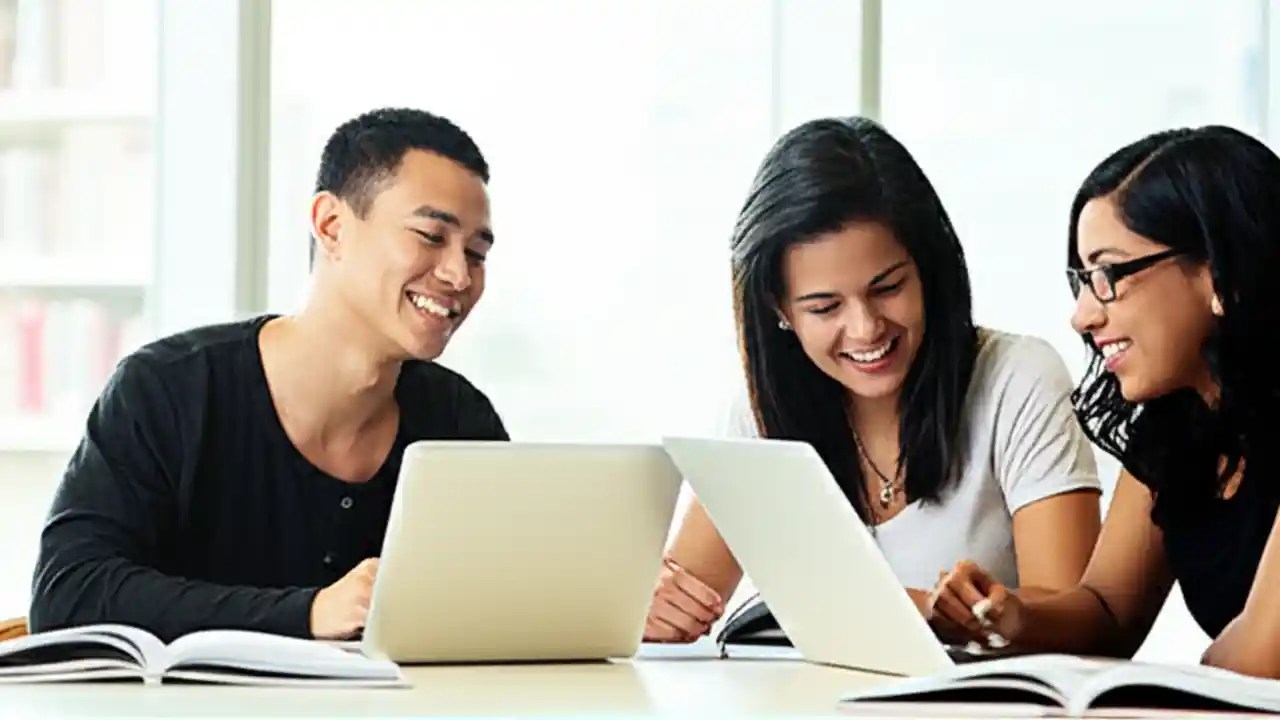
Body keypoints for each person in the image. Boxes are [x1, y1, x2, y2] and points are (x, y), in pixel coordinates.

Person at [29, 107, 508, 642]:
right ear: (331, 226)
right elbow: (69, 594)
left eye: (476, 252)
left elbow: (502, 606)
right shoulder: (168, 389)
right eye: (430, 236)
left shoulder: (461, 422)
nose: (458, 274)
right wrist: (308, 613)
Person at [644, 116, 1102, 644]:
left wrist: (965, 614)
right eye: (824, 307)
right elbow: (683, 600)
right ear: (780, 311)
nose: (865, 329)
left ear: (928, 270)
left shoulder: (1017, 380)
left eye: (887, 288)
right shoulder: (757, 409)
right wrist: (650, 603)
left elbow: (1076, 619)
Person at [929, 125, 1280, 679]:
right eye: (1083, 279)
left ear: (1218, 268)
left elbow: (1262, 658)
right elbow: (1109, 609)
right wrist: (1014, 617)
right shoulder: (1177, 419)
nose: (1083, 316)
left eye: (1110, 274)